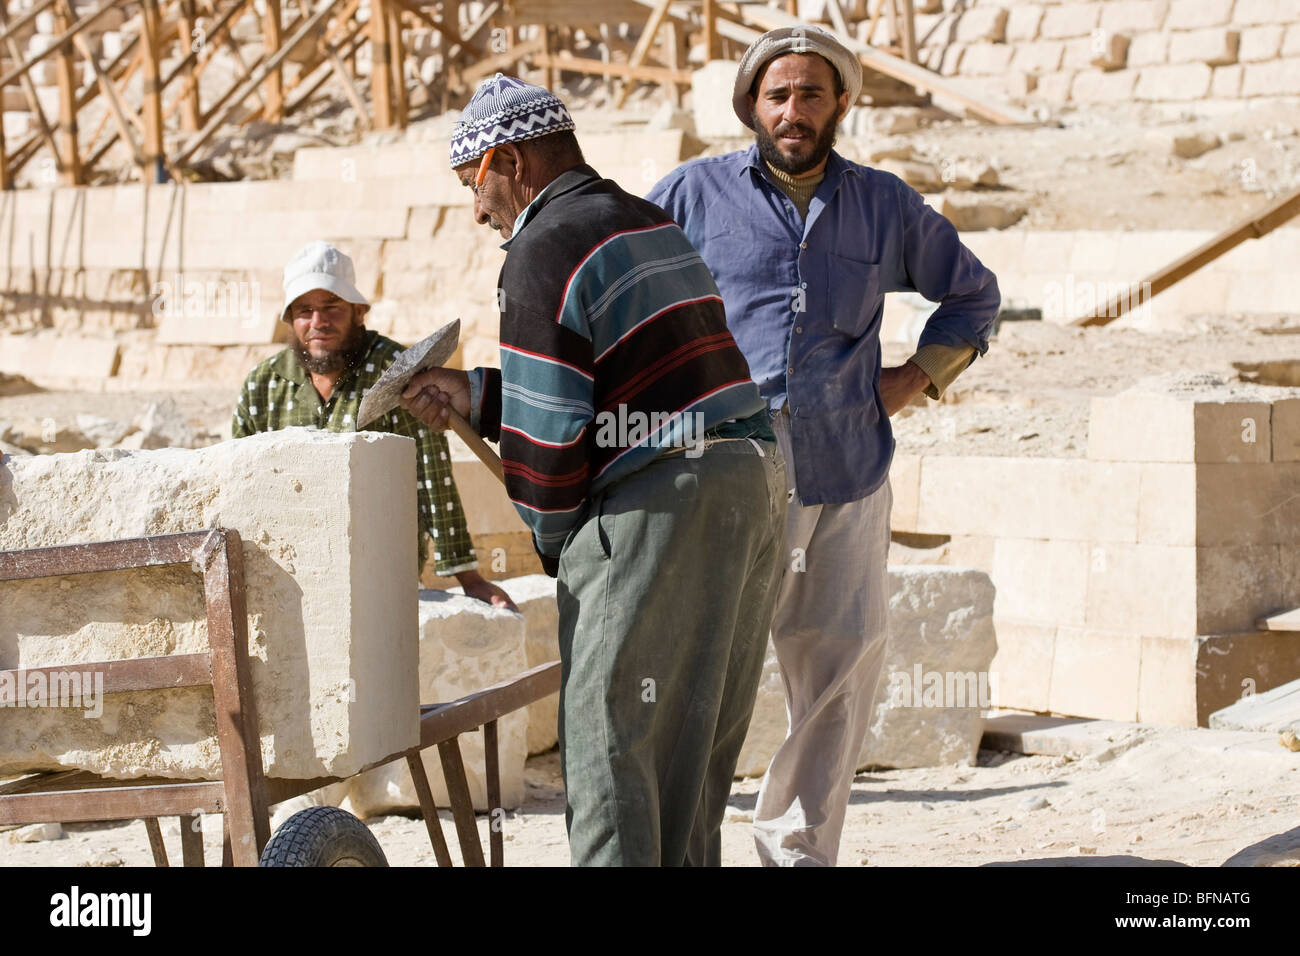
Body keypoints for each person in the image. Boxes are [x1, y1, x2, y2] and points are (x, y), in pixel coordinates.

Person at [399, 74, 786, 866]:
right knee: (690, 751)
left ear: (509, 161)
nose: (476, 209)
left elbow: (550, 449)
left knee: (611, 751)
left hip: (659, 504)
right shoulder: (643, 219)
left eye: (472, 184)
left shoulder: (540, 250)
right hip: (748, 479)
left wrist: (561, 548)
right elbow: (627, 383)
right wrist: (474, 394)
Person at [647, 26, 1001, 866]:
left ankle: (797, 852)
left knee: (836, 679)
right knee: (700, 673)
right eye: (777, 95)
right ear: (751, 106)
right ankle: (681, 851)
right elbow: (625, 300)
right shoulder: (689, 195)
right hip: (728, 470)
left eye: (811, 94)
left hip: (847, 470)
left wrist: (914, 377)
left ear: (841, 103)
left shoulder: (882, 204)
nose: (793, 111)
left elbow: (974, 296)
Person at [232, 239, 515, 609]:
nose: (318, 322)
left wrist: (469, 578)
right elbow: (239, 482)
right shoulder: (263, 385)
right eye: (304, 311)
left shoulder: (397, 372)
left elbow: (431, 474)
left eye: (332, 307)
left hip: (379, 571)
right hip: (289, 575)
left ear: (359, 312)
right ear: (290, 320)